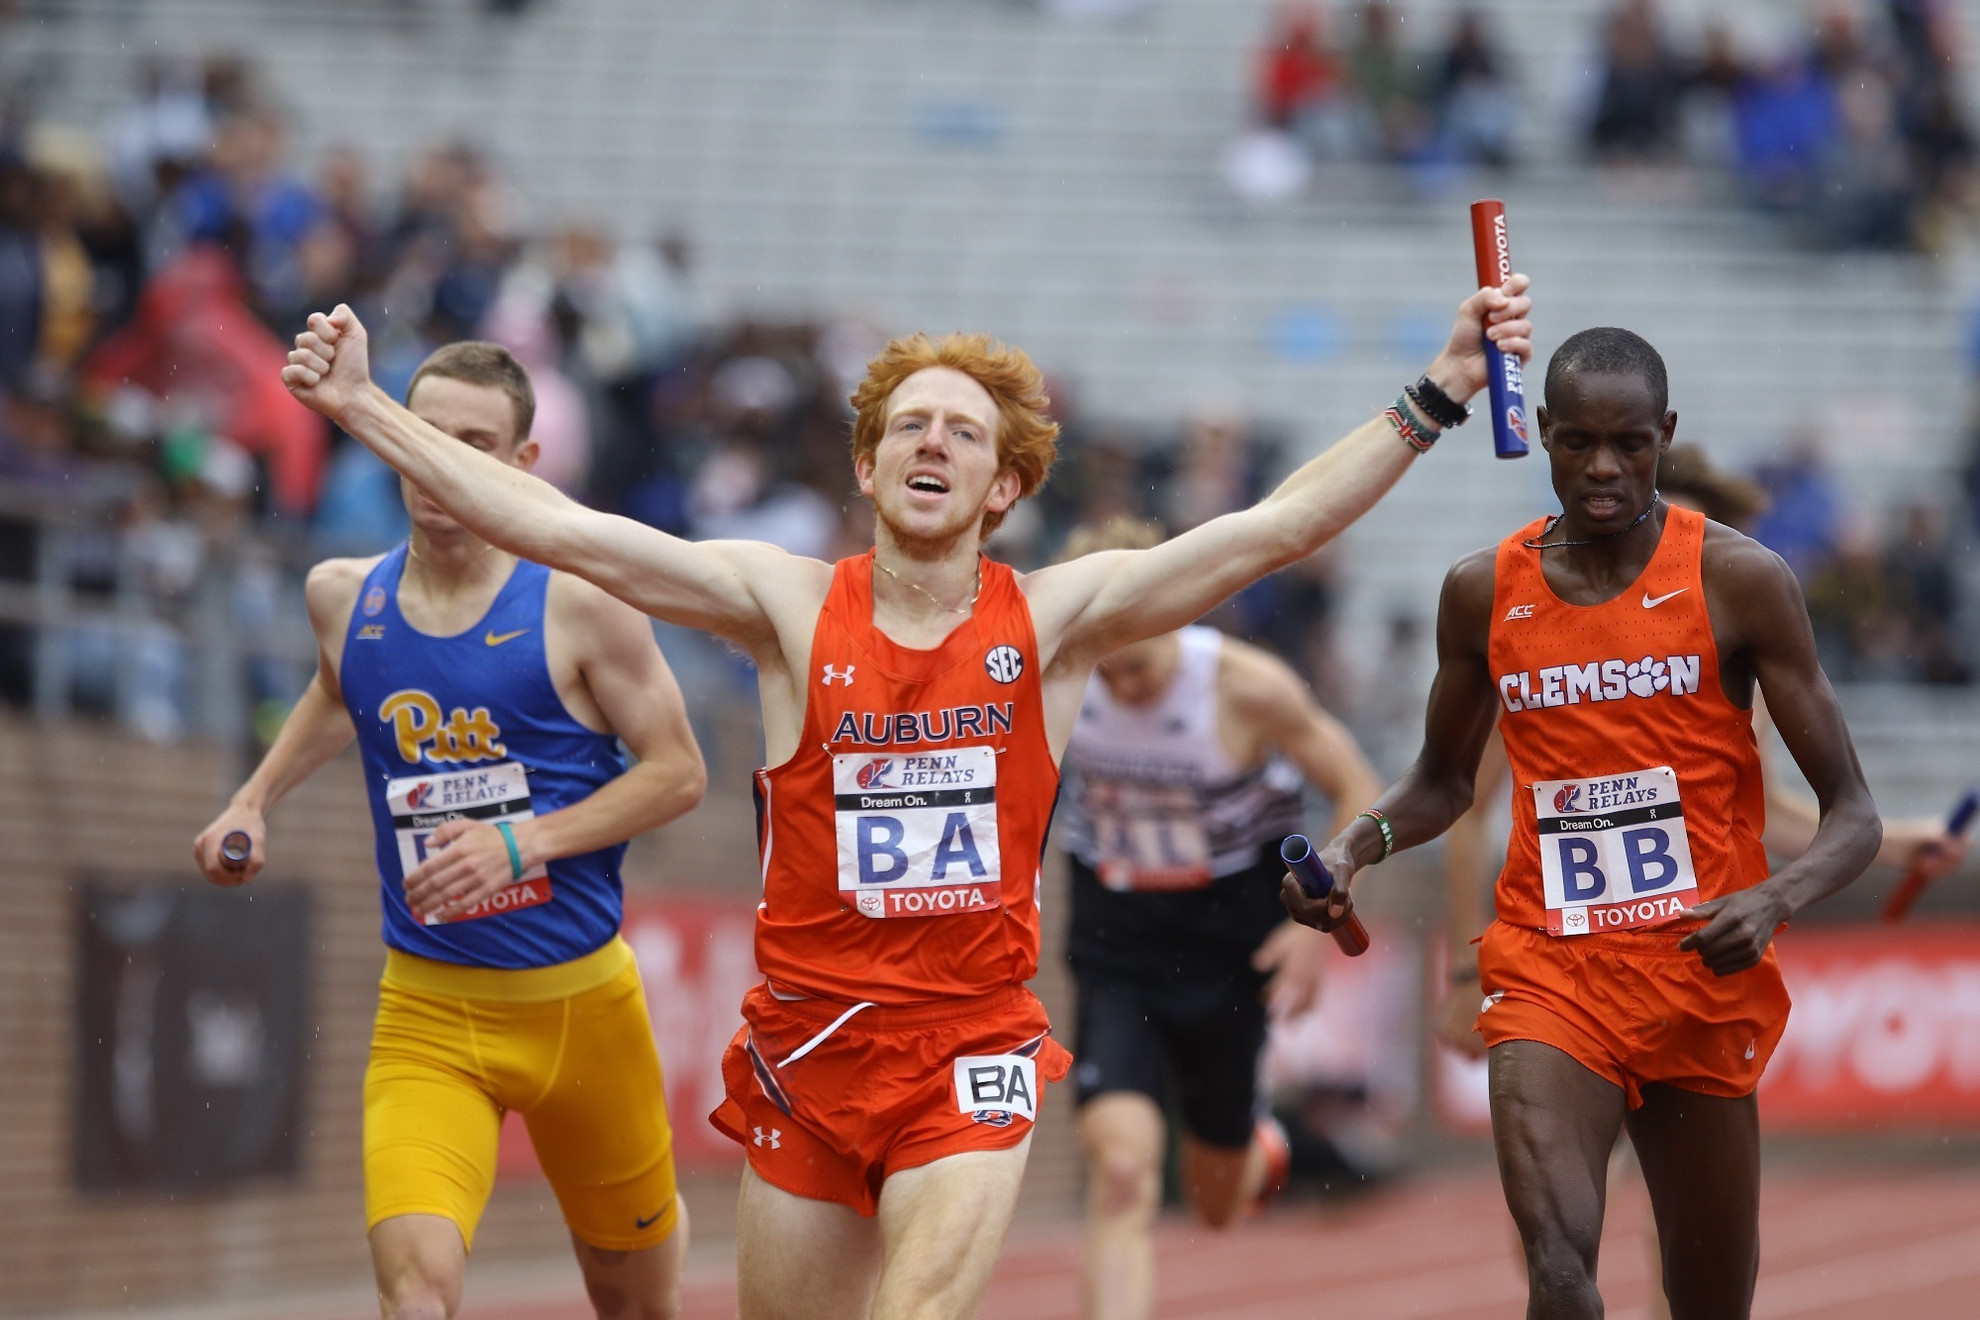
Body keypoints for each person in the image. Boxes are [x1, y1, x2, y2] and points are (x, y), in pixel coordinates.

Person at [273, 273, 1531, 1320]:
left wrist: (1441, 388)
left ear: (1004, 489)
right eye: (910, 427)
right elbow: (559, 530)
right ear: (868, 470)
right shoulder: (781, 604)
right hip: (807, 1050)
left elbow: (1276, 529)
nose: (935, 442)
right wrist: (363, 408)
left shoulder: (1057, 622)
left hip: (969, 1047)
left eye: (965, 433)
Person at [1285, 327, 1884, 1320]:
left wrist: (1773, 899)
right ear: (1540, 431)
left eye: (1630, 444)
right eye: (1579, 443)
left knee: (1707, 1302)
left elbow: (1852, 814)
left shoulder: (1739, 581)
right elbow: (1440, 780)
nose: (1604, 468)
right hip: (1550, 972)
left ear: (1665, 436)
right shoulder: (1484, 591)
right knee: (1561, 1274)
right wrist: (1353, 846)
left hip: (1697, 973)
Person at [192, 341, 707, 1320]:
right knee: (416, 1291)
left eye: (474, 444)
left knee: (635, 1302)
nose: (441, 464)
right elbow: (340, 692)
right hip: (427, 1014)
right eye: (424, 436)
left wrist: (525, 842)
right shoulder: (344, 596)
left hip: (581, 1014)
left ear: (524, 462)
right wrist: (252, 798)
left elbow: (679, 773)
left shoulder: (582, 601)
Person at [1428, 439, 1969, 1320]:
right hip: (1560, 972)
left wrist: (1901, 842)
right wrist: (1464, 967)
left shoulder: (1717, 626)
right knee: (1560, 1239)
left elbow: (1763, 807)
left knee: (1690, 1245)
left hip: (1687, 970)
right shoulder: (1539, 637)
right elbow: (1460, 805)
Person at [1053, 516, 1381, 1320]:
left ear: (1172, 613)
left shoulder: (1246, 686)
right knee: (1122, 1173)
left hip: (1230, 944)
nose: (1122, 688)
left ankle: (1262, 1146)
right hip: (1117, 938)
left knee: (1216, 1203)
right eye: (1107, 667)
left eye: (1136, 667)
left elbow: (1358, 788)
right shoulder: (1057, 672)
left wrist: (1308, 934)